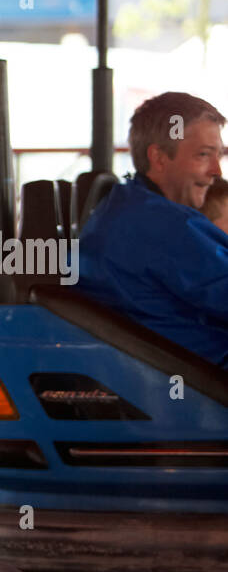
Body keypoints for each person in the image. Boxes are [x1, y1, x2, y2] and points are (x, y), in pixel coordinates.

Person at [77, 91, 228, 368]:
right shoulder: (164, 227)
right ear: (159, 157)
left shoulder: (126, 206)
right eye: (203, 155)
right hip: (195, 378)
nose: (216, 170)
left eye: (218, 155)